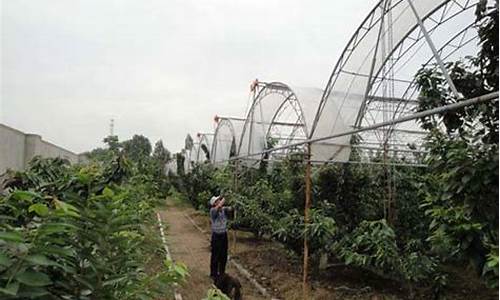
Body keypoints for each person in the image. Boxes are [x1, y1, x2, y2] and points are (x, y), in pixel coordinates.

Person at [209, 195, 229, 281]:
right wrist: (226, 197)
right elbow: (219, 206)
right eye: (217, 200)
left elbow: (230, 209)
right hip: (216, 236)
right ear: (214, 203)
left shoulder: (223, 210)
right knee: (215, 255)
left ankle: (222, 273)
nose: (219, 201)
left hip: (224, 235)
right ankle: (213, 273)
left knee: (223, 255)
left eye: (219, 200)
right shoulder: (213, 210)